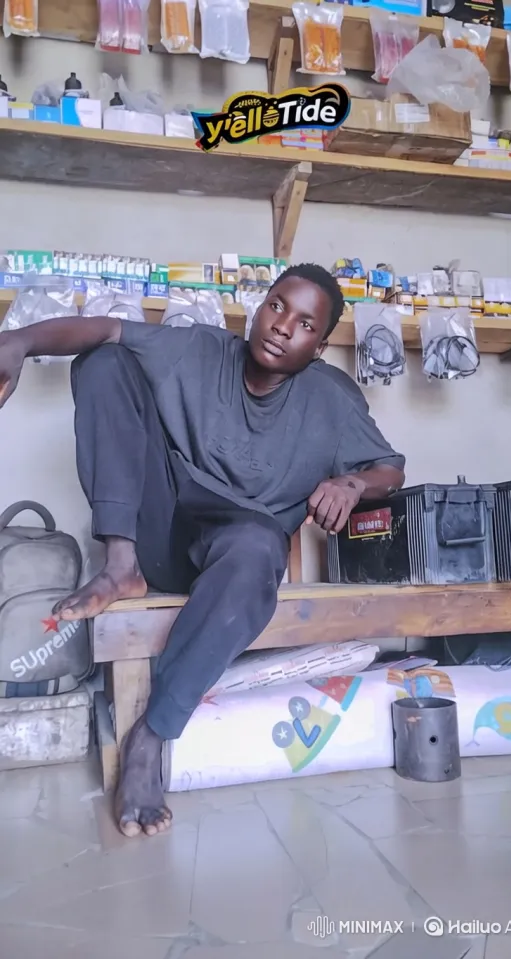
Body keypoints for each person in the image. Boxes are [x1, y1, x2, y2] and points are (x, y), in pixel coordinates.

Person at [0, 263, 405, 838]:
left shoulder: (331, 398)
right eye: (276, 306)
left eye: (305, 323)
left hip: (240, 550)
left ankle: (151, 735)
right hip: (161, 531)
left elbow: (389, 467)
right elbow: (104, 331)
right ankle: (120, 567)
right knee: (105, 362)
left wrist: (353, 484)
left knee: (255, 545)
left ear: (317, 347)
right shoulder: (200, 349)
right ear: (259, 308)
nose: (283, 325)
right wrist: (17, 340)